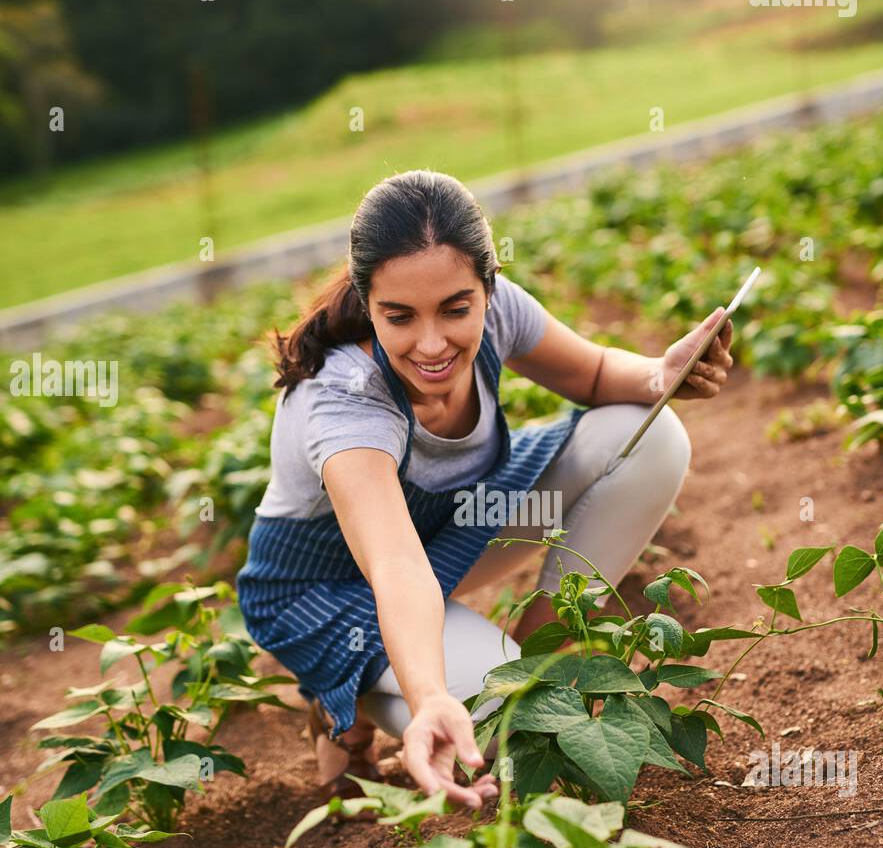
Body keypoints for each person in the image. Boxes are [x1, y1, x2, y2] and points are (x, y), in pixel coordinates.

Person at [236, 169, 733, 810]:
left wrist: (661, 373)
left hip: (456, 527)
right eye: (400, 317)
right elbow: (393, 566)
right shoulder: (347, 404)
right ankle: (352, 690)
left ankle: (538, 654)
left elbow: (598, 374)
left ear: (486, 287)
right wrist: (431, 698)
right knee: (506, 721)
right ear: (368, 303)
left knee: (650, 433)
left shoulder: (501, 313)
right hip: (327, 587)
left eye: (455, 309)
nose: (433, 343)